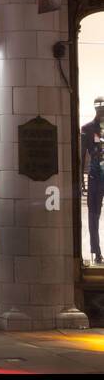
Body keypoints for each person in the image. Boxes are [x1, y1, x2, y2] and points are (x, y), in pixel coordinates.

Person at [83, 100, 104, 265]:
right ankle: (96, 251)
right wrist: (80, 179)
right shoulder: (88, 129)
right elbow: (82, 155)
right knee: (93, 215)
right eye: (99, 107)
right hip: (95, 176)